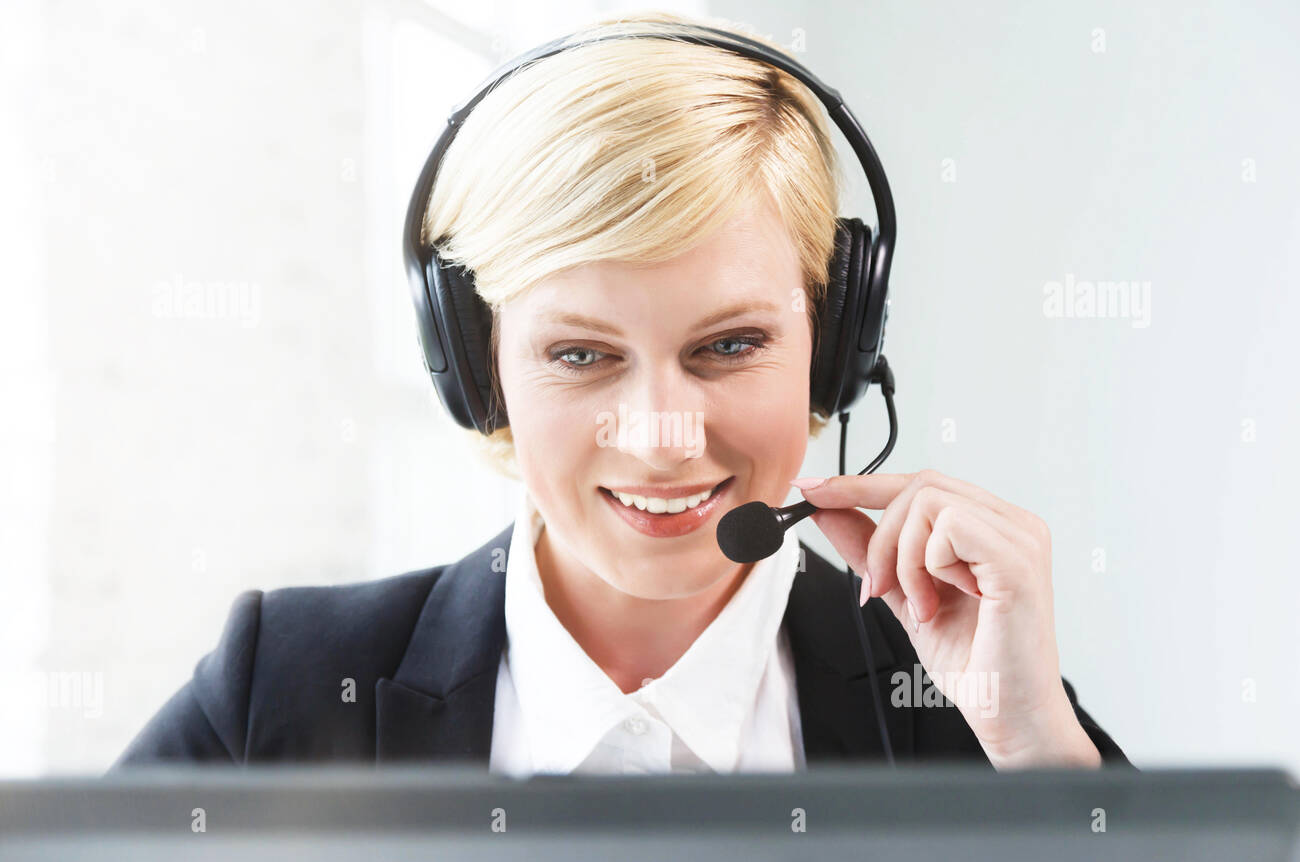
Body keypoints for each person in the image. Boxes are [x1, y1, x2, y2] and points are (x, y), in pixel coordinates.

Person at [112, 11, 1130, 775]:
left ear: (834, 346)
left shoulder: (953, 697)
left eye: (729, 343)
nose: (660, 437)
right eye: (581, 355)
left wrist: (1038, 749)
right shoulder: (284, 682)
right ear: (476, 366)